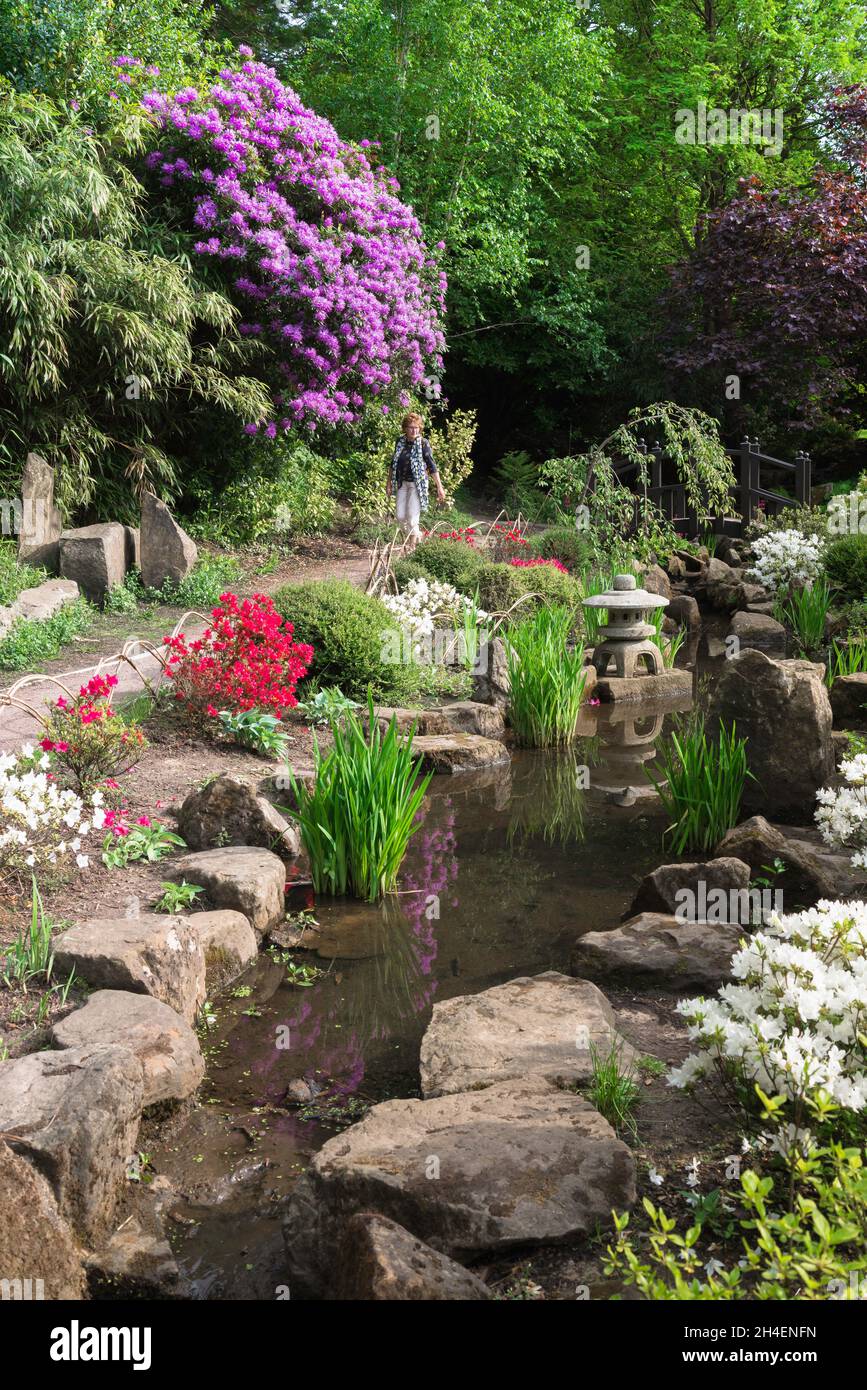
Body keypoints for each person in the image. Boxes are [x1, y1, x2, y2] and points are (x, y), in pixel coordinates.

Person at [386, 412, 446, 549]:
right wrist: (388, 483)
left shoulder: (423, 444)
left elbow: (432, 466)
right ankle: (417, 534)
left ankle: (411, 547)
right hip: (401, 483)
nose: (414, 430)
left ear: (420, 428)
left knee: (412, 518)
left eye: (416, 427)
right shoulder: (399, 442)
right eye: (411, 427)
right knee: (400, 516)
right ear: (405, 428)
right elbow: (393, 463)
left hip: (417, 485)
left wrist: (439, 487)